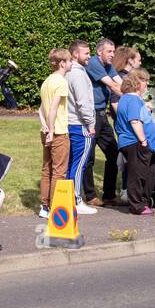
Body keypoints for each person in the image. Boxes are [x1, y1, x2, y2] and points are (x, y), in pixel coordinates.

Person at [83, 39, 122, 206]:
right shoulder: (93, 63)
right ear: (100, 52)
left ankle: (109, 195)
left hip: (102, 116)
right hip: (90, 117)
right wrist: (135, 100)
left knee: (113, 153)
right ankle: (90, 196)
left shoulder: (109, 65)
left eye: (113, 52)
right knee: (88, 158)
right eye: (109, 52)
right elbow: (113, 85)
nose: (112, 55)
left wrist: (138, 94)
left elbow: (121, 82)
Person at [115, 70, 155, 214]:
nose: (146, 85)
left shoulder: (131, 99)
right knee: (137, 174)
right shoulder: (132, 100)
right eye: (145, 81)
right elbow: (134, 121)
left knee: (152, 170)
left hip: (142, 143)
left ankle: (144, 201)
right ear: (137, 83)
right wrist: (143, 140)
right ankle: (137, 205)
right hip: (135, 142)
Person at [65, 40, 98, 216]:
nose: (89, 56)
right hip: (80, 125)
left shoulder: (68, 72)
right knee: (78, 165)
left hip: (71, 123)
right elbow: (83, 102)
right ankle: (75, 200)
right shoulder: (77, 74)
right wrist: (91, 124)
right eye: (86, 53)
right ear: (75, 54)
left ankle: (70, 199)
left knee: (71, 164)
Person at [38, 47, 72, 219]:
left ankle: (44, 206)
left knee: (47, 169)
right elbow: (52, 109)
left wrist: (44, 127)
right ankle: (53, 207)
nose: (71, 63)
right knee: (59, 171)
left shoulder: (46, 82)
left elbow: (40, 110)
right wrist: (51, 130)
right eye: (70, 60)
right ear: (62, 63)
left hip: (46, 131)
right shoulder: (61, 82)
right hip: (58, 132)